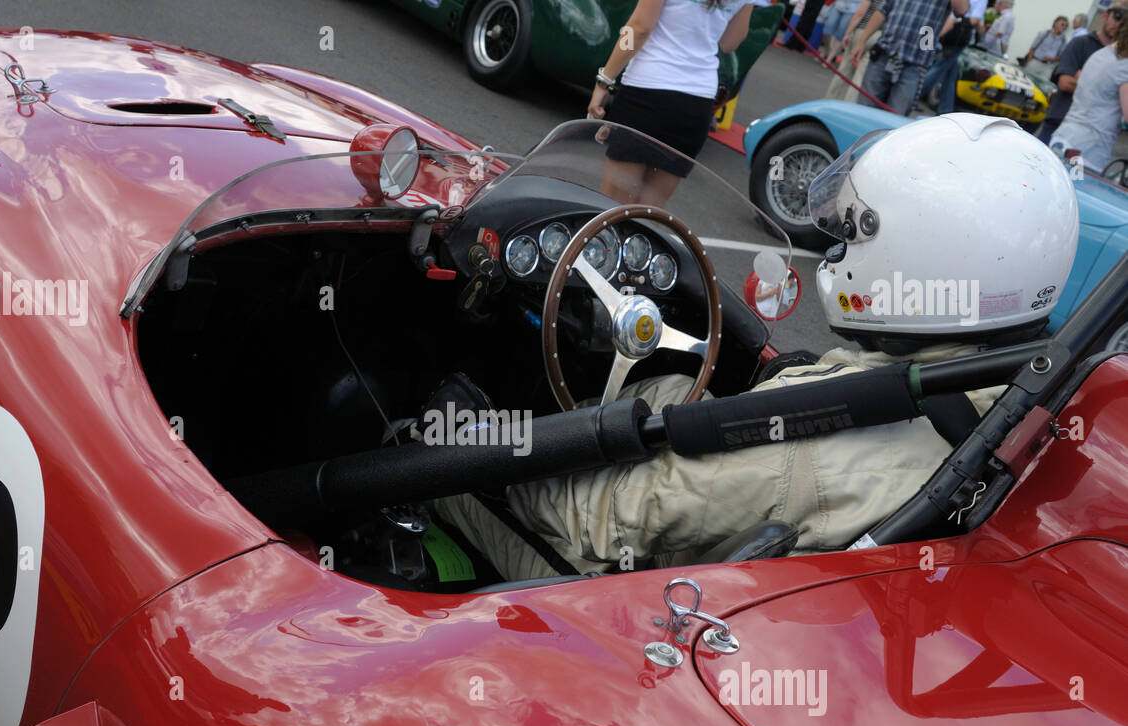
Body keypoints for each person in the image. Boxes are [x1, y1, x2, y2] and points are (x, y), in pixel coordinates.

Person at [430, 115, 1079, 581]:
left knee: (429, 444)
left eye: (855, 235)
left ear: (922, 261)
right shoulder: (1016, 387)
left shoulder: (809, 445)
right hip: (794, 553)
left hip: (624, 591)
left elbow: (595, 521)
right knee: (662, 391)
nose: (837, 251)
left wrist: (483, 440)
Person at [588, 0, 761, 205]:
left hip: (647, 92)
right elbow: (730, 42)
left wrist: (605, 79)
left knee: (611, 210)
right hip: (697, 103)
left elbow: (638, 28)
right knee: (648, 217)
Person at [851, 0, 971, 115]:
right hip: (884, 53)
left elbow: (962, 9)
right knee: (864, 110)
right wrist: (862, 41)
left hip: (915, 64)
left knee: (893, 122)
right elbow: (883, 10)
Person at [1037, 3, 1124, 144]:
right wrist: (1107, 90)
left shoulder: (1120, 57)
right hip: (1060, 121)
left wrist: (1083, 78)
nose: (1119, 24)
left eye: (1125, 21)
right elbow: (1065, 83)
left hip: (1092, 133)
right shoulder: (1080, 43)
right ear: (1104, 16)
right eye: (1117, 17)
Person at [1050, 26, 1128, 173]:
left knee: (1055, 189)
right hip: (1087, 150)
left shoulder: (1101, 54)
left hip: (1065, 137)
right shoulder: (1124, 66)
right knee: (1075, 192)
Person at [824, 0, 886, 102]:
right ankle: (850, 105)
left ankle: (831, 99)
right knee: (861, 76)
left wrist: (847, 33)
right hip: (878, 36)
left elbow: (860, 13)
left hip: (862, 31)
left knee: (845, 69)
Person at [919, 12, 976, 113]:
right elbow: (973, 21)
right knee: (937, 71)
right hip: (955, 42)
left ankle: (945, 109)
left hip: (953, 40)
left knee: (949, 77)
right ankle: (915, 96)